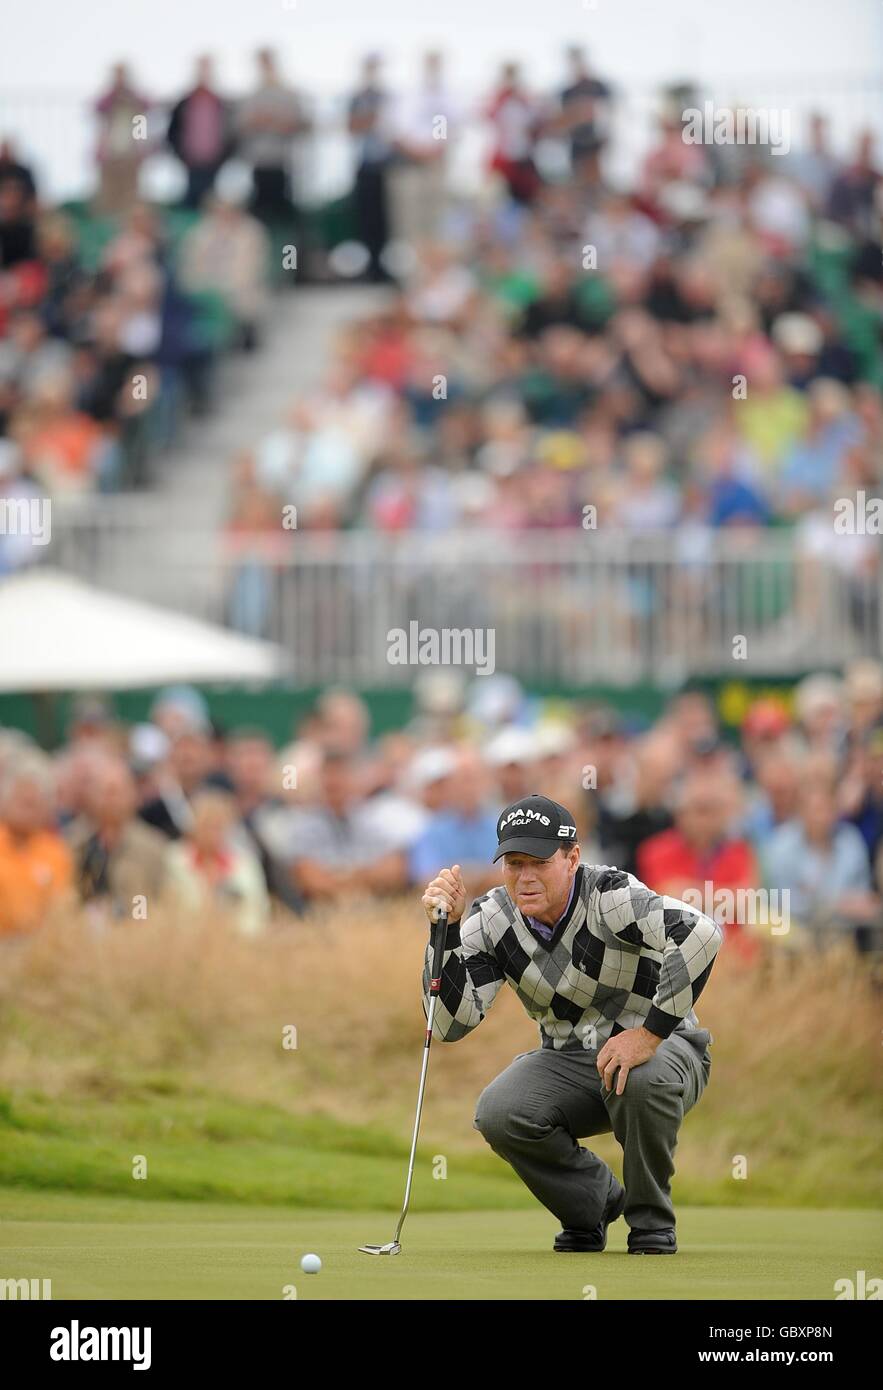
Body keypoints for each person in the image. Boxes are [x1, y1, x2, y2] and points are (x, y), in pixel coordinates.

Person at [420, 794, 720, 1254]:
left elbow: (701, 932)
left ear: (572, 858)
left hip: (666, 1051)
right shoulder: (491, 918)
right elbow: (449, 1025)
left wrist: (649, 1033)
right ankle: (592, 1206)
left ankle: (650, 1222)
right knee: (501, 1112)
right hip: (571, 1061)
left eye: (538, 862)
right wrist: (446, 934)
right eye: (514, 863)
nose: (525, 877)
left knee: (639, 1076)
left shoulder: (610, 895)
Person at [0, 756, 74, 937]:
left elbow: (64, 908)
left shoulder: (57, 852)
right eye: (22, 802)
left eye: (33, 804)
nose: (26, 811)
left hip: (40, 949)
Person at [347, 54, 395, 282]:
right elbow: (352, 127)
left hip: (386, 167)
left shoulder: (389, 97)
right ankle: (371, 267)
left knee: (386, 219)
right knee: (366, 218)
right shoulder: (358, 98)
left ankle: (383, 267)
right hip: (365, 166)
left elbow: (393, 127)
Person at [166, 56, 235, 211]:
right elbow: (172, 132)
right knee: (191, 199)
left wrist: (224, 156)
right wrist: (180, 154)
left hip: (215, 161)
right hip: (190, 160)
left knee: (211, 200)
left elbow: (231, 133)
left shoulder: (222, 104)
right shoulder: (184, 103)